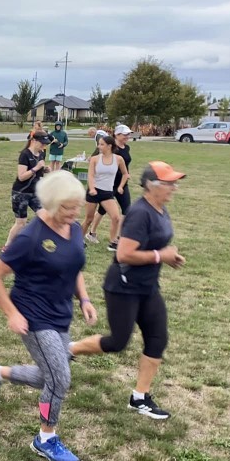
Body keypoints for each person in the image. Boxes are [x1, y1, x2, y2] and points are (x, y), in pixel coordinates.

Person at [0, 171, 96, 461]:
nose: (75, 213)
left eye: (77, 206)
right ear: (51, 203)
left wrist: (84, 298)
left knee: (49, 376)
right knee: (60, 378)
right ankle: (45, 438)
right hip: (33, 316)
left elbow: (74, 266)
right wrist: (12, 313)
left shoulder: (73, 228)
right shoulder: (31, 236)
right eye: (67, 207)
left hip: (60, 313)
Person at [70, 162, 187, 421]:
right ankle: (70, 349)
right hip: (123, 287)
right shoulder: (140, 213)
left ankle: (139, 398)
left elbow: (155, 245)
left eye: (174, 183)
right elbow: (124, 254)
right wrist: (161, 255)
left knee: (157, 339)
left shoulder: (160, 209)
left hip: (147, 286)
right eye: (169, 183)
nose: (174, 188)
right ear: (151, 185)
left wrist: (169, 255)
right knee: (117, 342)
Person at [80, 132, 128, 251]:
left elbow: (125, 174)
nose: (99, 146)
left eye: (101, 144)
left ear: (109, 146)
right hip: (94, 191)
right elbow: (90, 175)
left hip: (107, 193)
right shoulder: (95, 159)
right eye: (99, 144)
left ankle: (113, 242)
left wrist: (121, 186)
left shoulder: (118, 159)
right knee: (89, 219)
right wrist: (92, 188)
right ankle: (78, 240)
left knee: (116, 217)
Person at [5, 131, 50, 248]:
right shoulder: (25, 154)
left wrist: (44, 169)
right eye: (42, 143)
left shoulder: (41, 153)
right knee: (21, 223)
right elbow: (21, 176)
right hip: (21, 193)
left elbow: (38, 171)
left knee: (45, 216)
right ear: (33, 141)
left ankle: (36, 242)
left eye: (45, 144)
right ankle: (7, 247)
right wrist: (37, 168)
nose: (44, 146)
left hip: (35, 192)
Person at [88, 125, 133, 241]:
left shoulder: (126, 148)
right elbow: (93, 159)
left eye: (128, 134)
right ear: (117, 135)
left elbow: (125, 165)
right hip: (108, 185)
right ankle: (92, 232)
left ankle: (120, 237)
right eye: (125, 134)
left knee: (126, 209)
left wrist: (126, 175)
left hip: (122, 184)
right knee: (102, 210)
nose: (127, 136)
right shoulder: (108, 147)